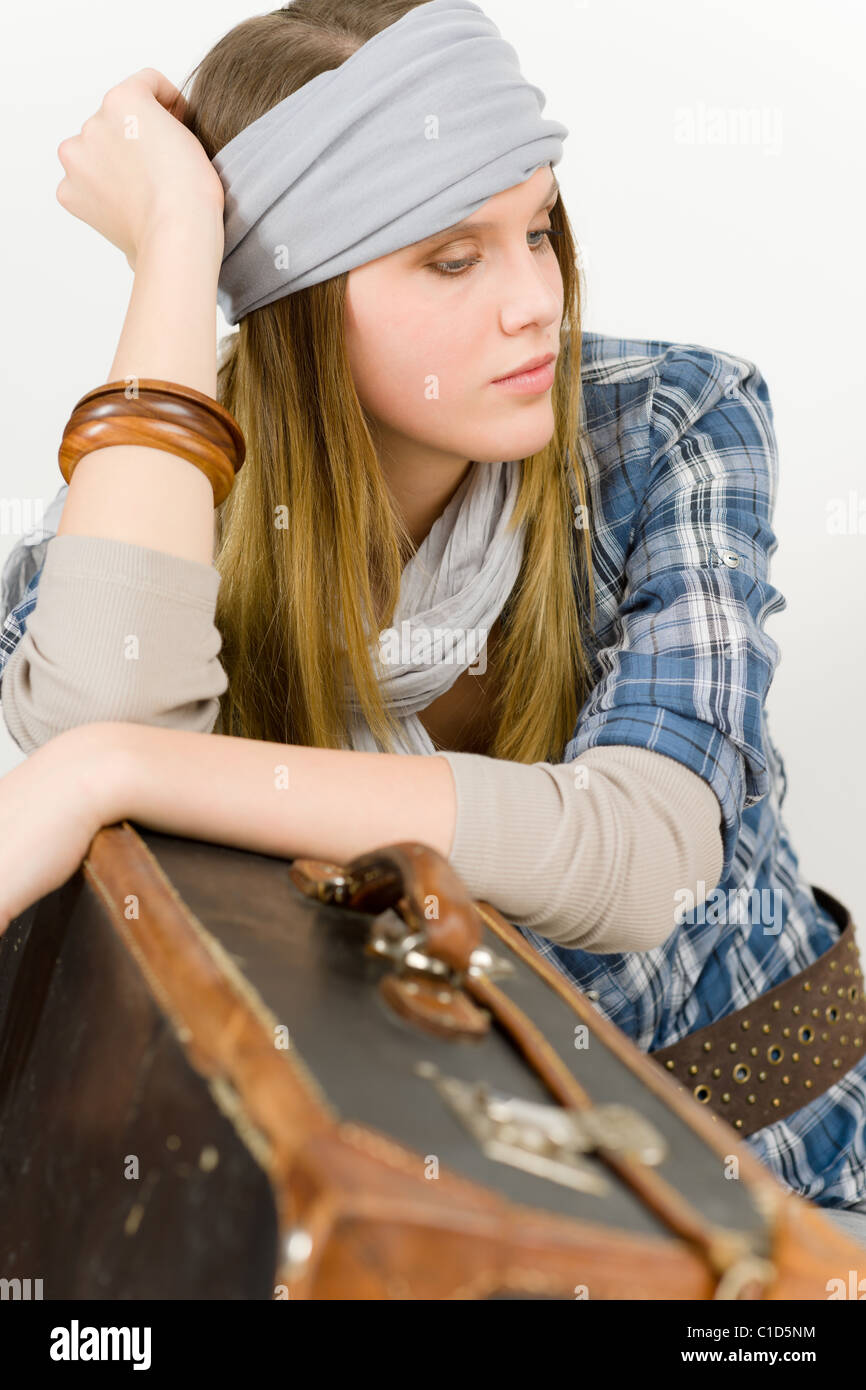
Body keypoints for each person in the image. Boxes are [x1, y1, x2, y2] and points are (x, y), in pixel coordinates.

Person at [1, 0, 865, 1251]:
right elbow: (103, 708)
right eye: (450, 259)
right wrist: (179, 255)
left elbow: (639, 860)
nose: (533, 304)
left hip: (769, 1162)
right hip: (432, 1200)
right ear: (288, 297)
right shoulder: (159, 500)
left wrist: (113, 770)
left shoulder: (670, 421)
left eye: (538, 231)